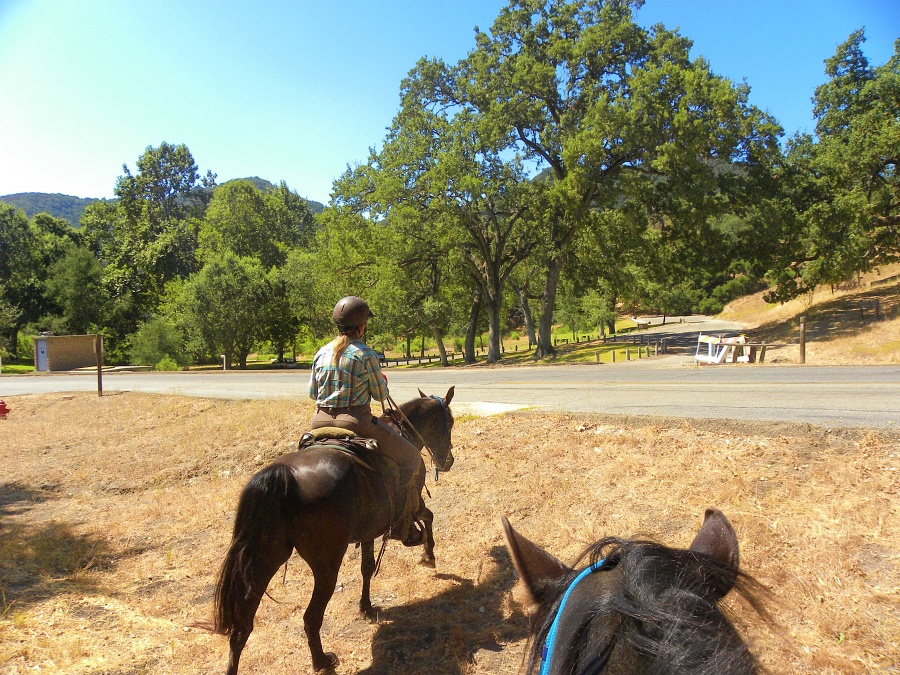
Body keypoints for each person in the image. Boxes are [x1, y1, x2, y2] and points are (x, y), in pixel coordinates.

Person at [308, 296, 425, 546]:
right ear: (361, 327)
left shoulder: (321, 353)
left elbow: (312, 394)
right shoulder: (365, 354)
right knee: (412, 458)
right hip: (356, 422)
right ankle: (399, 521)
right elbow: (381, 395)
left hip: (318, 422)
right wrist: (380, 380)